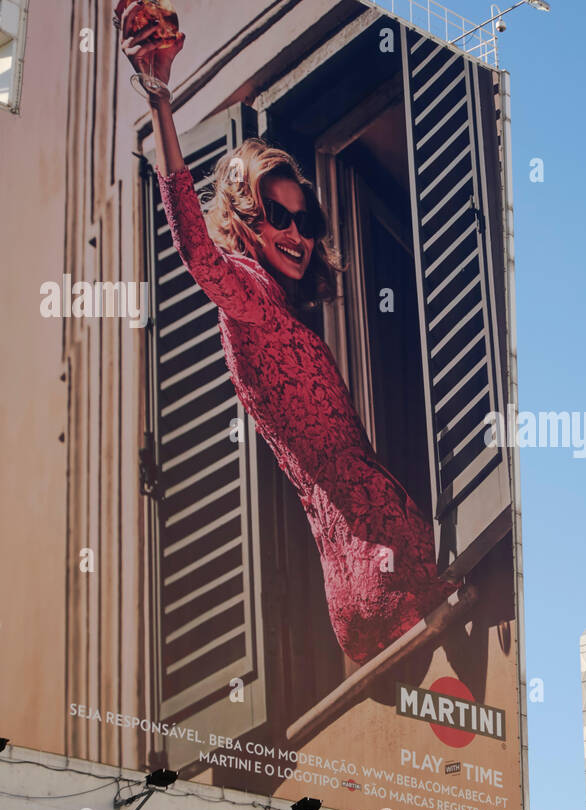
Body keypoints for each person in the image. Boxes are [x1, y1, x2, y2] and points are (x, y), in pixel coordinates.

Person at [119, 3, 462, 666]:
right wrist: (160, 100)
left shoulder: (277, 304)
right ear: (245, 218)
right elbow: (196, 252)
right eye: (279, 215)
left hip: (359, 576)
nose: (299, 236)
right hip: (382, 565)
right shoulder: (246, 294)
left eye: (308, 222)